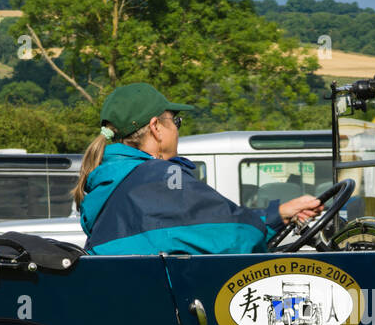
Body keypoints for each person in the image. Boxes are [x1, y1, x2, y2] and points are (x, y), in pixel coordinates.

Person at [73, 83, 321, 255]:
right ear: (156, 127)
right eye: (176, 121)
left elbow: (209, 225)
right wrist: (269, 221)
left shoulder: (110, 181)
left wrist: (279, 214)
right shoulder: (159, 177)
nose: (178, 129)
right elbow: (235, 236)